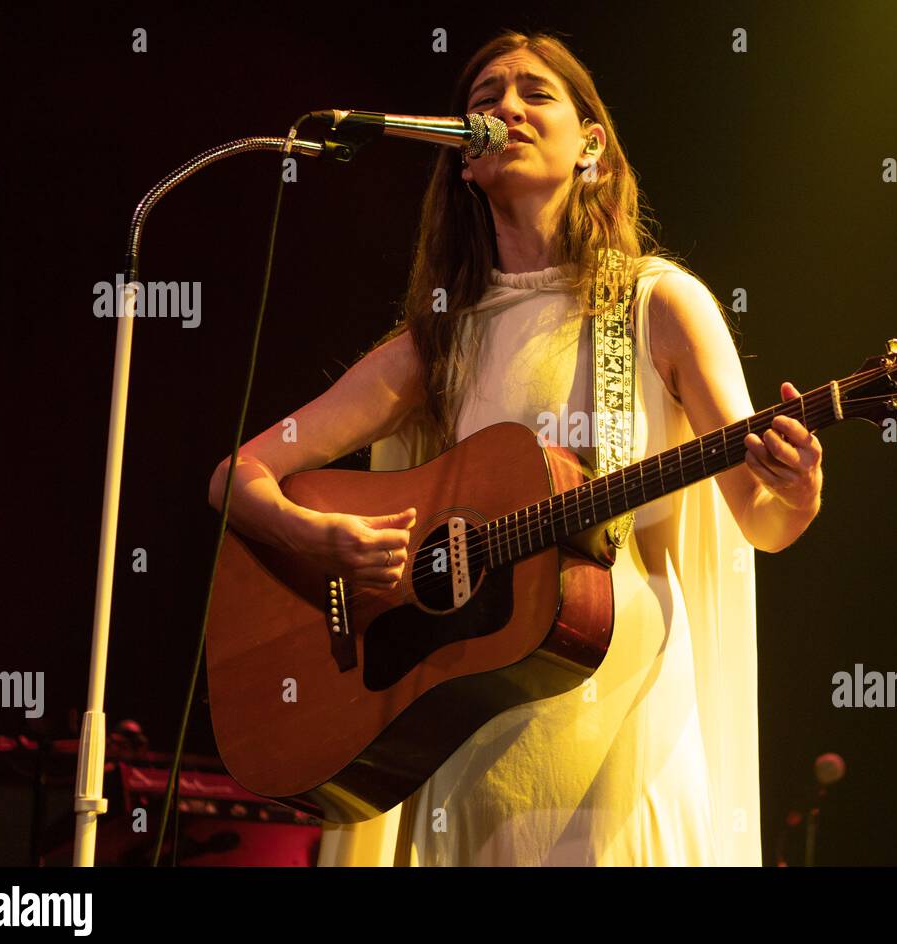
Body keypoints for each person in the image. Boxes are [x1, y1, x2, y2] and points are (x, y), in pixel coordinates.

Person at [208, 30, 823, 866]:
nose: (505, 108)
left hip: (622, 735)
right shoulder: (439, 343)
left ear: (591, 146)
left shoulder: (660, 306)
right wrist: (315, 537)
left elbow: (764, 521)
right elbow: (239, 472)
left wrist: (796, 483)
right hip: (469, 732)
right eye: (486, 97)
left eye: (535, 94)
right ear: (464, 157)